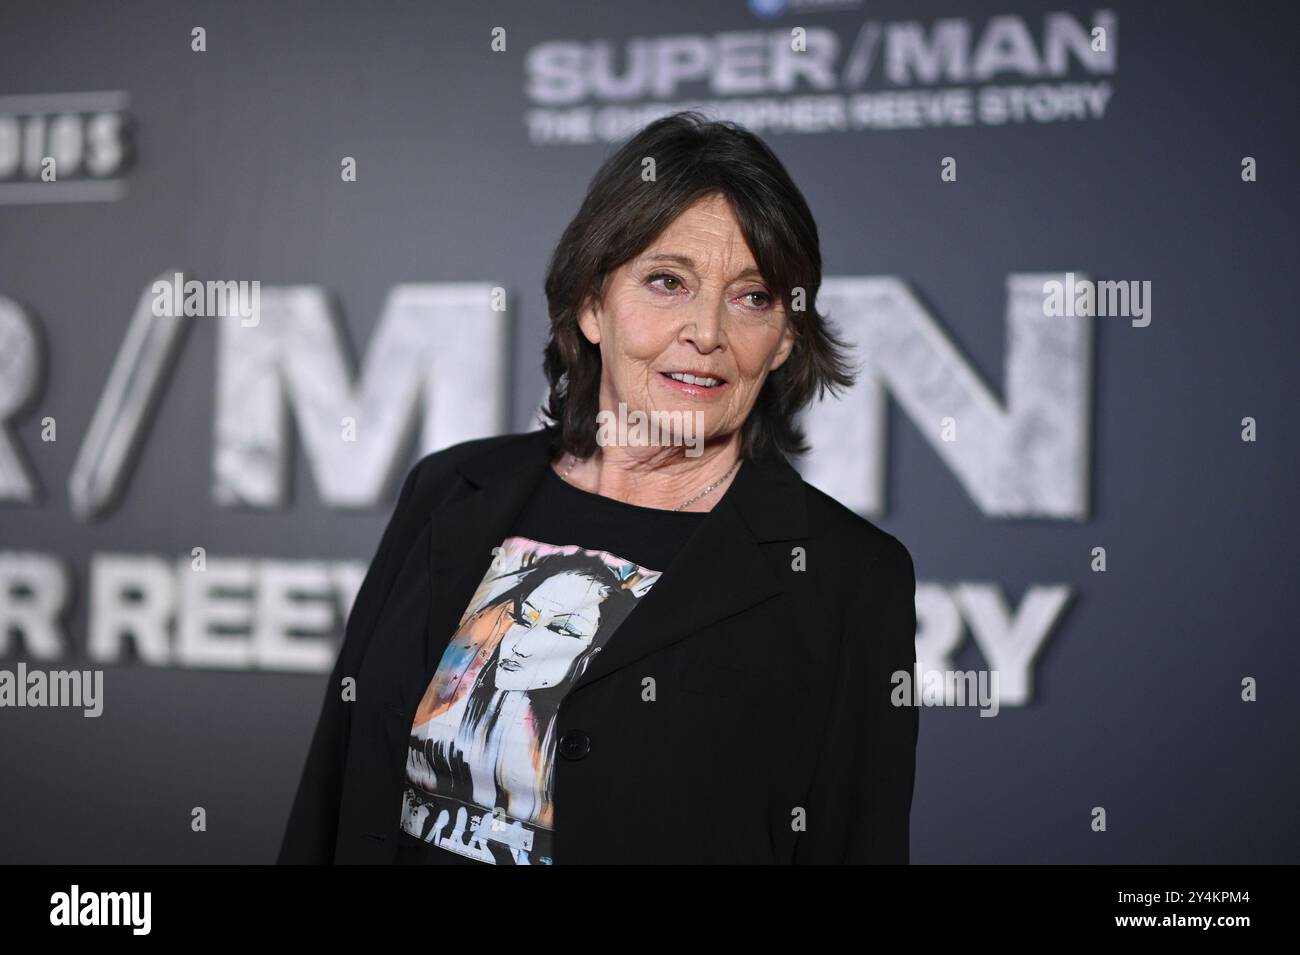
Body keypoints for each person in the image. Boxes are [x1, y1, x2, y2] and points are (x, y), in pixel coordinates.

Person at [277, 110, 918, 865]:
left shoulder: (846, 577)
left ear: (784, 337)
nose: (706, 331)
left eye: (753, 297)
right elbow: (335, 785)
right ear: (591, 303)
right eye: (666, 282)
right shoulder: (451, 489)